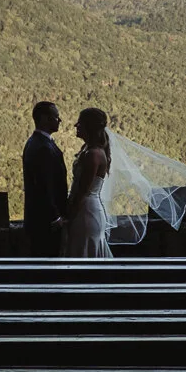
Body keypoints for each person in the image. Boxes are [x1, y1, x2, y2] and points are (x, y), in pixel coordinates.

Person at [61, 106, 114, 258]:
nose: (76, 126)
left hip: (86, 213)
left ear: (89, 126)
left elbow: (83, 190)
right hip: (86, 210)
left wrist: (68, 216)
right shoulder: (89, 150)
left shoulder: (93, 155)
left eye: (80, 123)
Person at [20, 100, 67, 257]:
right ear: (43, 119)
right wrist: (55, 217)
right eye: (55, 117)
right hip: (45, 223)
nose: (59, 120)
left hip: (38, 221)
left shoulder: (35, 143)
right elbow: (44, 186)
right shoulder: (43, 147)